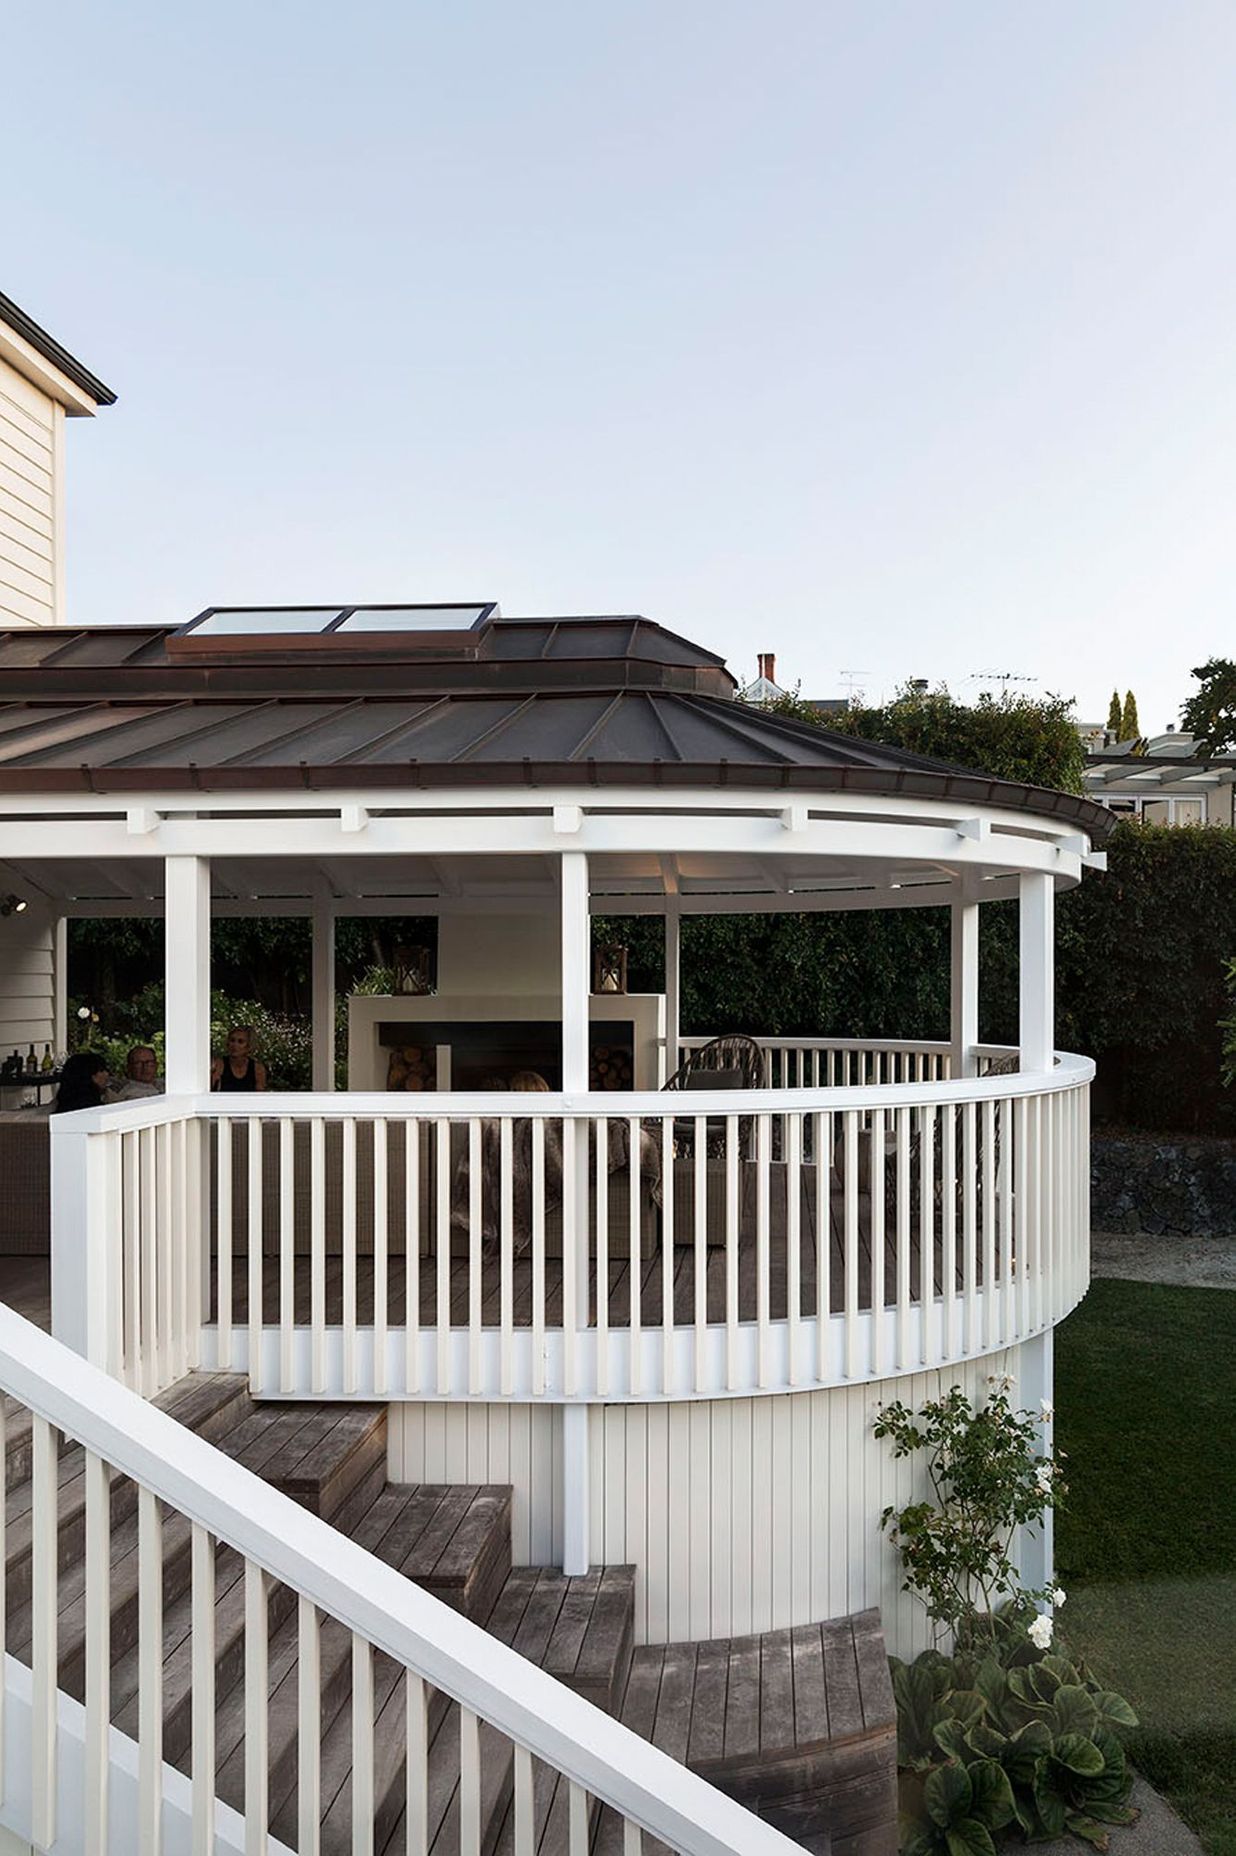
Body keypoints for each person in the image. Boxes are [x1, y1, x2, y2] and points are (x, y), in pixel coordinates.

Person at [210, 1025, 268, 1092]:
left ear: (248, 1046)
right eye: (232, 1040)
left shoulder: (257, 1069)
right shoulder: (219, 1065)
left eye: (240, 1042)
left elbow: (260, 1098)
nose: (235, 1045)